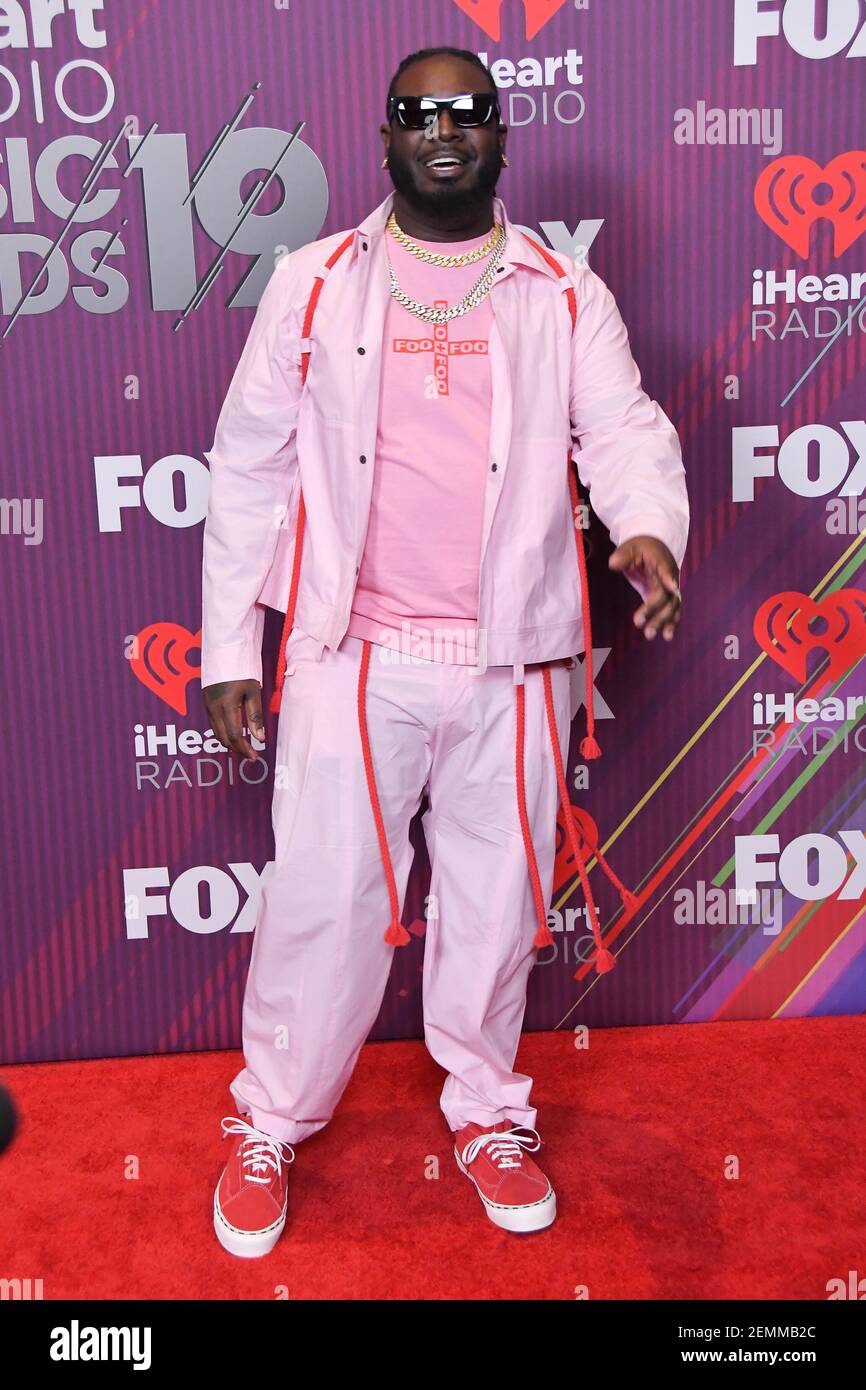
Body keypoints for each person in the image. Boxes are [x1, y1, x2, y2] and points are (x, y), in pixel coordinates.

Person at [201, 45, 689, 1258]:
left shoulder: (560, 291)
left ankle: (484, 1112)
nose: (441, 131)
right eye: (417, 114)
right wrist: (227, 649)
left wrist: (642, 527)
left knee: (492, 904)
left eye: (464, 112)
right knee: (322, 902)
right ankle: (270, 1120)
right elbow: (248, 466)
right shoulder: (312, 283)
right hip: (350, 655)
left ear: (497, 138)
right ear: (384, 139)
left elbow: (620, 423)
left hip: (512, 659)